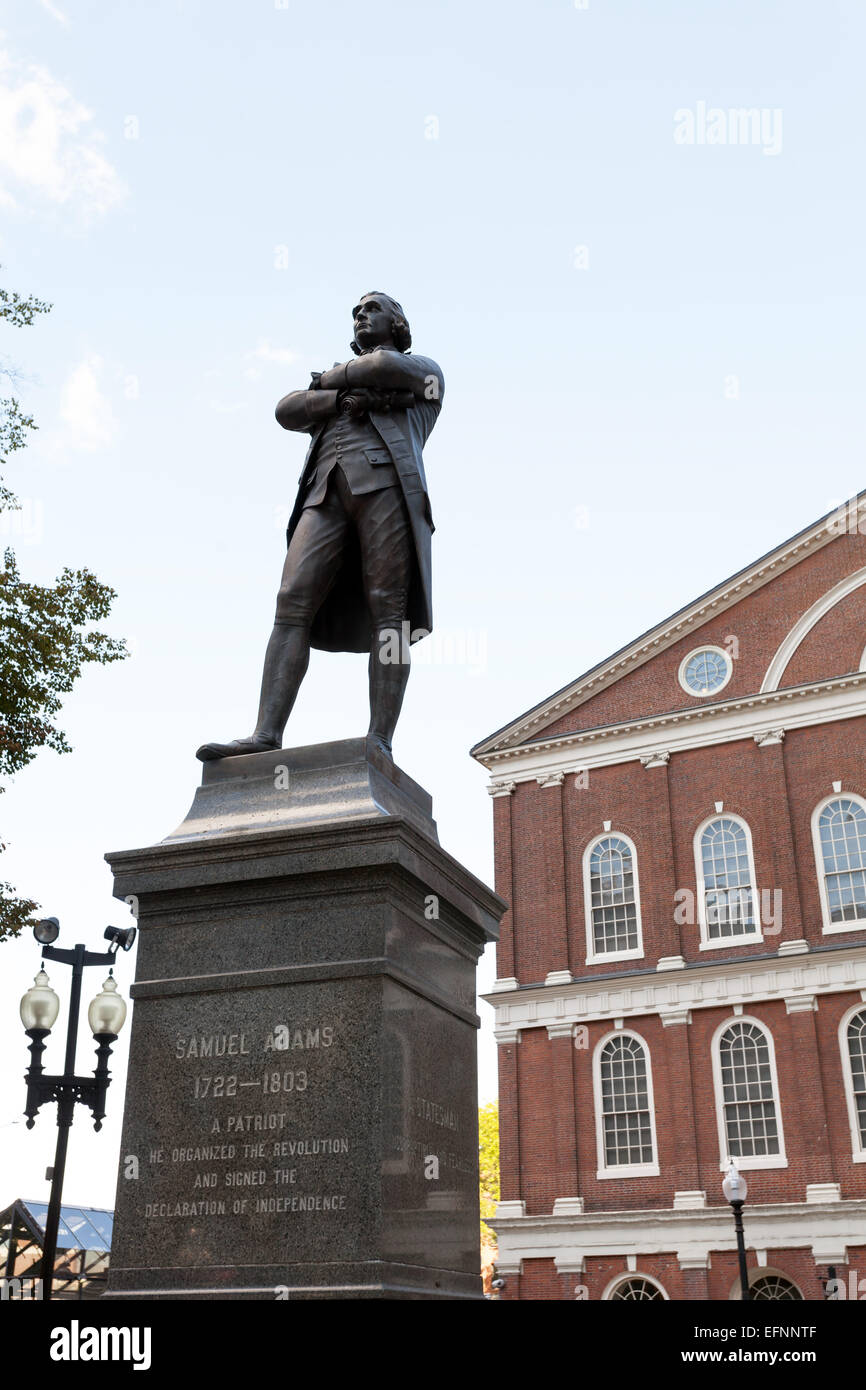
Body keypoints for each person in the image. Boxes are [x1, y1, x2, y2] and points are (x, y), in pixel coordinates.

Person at [196, 292, 443, 762]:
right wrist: (341, 397)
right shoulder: (343, 393)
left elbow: (389, 369)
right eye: (355, 312)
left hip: (386, 488)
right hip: (323, 493)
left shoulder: (424, 374)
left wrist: (330, 383)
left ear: (398, 321)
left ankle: (379, 739)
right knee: (291, 603)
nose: (360, 316)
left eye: (372, 309)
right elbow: (287, 409)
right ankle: (265, 734)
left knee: (388, 612)